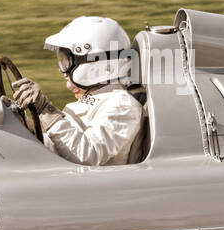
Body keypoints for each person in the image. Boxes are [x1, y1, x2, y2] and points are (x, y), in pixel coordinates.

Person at [10, 16, 146, 166]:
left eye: (67, 61)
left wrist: (45, 110)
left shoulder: (122, 106)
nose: (63, 70)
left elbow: (88, 155)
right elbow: (59, 143)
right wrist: (22, 124)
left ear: (96, 63)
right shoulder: (94, 99)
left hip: (92, 184)